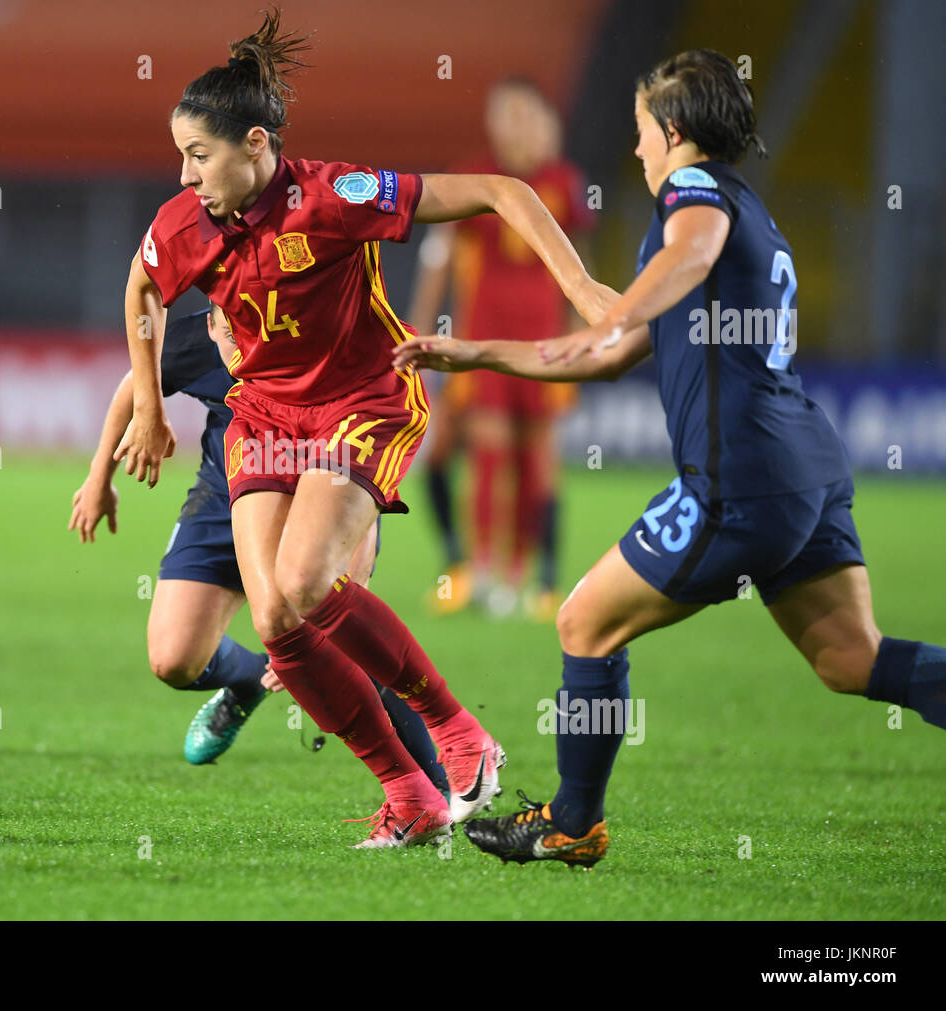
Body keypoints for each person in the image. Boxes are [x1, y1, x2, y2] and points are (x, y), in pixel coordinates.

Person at [393, 48, 946, 868]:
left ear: (675, 129)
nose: (640, 148)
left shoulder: (695, 195)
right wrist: (473, 354)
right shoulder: (750, 210)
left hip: (742, 479)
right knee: (848, 658)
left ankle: (572, 821)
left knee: (584, 619)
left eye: (645, 131)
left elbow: (681, 258)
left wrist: (622, 305)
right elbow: (610, 352)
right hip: (807, 470)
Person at [116, 10, 610, 848]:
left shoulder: (336, 196)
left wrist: (587, 290)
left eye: (199, 155)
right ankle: (409, 794)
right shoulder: (184, 224)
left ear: (258, 145)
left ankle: (460, 731)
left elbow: (502, 192)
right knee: (274, 617)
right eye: (181, 155)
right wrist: (151, 405)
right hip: (266, 412)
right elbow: (142, 291)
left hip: (361, 401)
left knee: (307, 581)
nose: (185, 173)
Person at [70, 303, 449, 797]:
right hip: (224, 499)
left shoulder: (321, 344)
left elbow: (362, 462)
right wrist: (100, 477)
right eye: (229, 334)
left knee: (347, 647)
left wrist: (332, 607)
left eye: (247, 333)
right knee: (173, 659)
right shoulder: (195, 341)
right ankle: (249, 679)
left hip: (322, 504)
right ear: (211, 325)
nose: (240, 347)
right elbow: (134, 386)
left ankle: (438, 787)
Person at [409, 79, 593, 620]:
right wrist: (421, 326)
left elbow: (580, 267)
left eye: (524, 115)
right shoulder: (471, 177)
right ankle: (479, 571)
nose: (514, 126)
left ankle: (534, 580)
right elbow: (438, 256)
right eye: (503, 115)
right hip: (483, 341)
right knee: (484, 447)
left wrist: (585, 335)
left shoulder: (564, 183)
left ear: (545, 122)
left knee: (536, 458)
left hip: (544, 343)